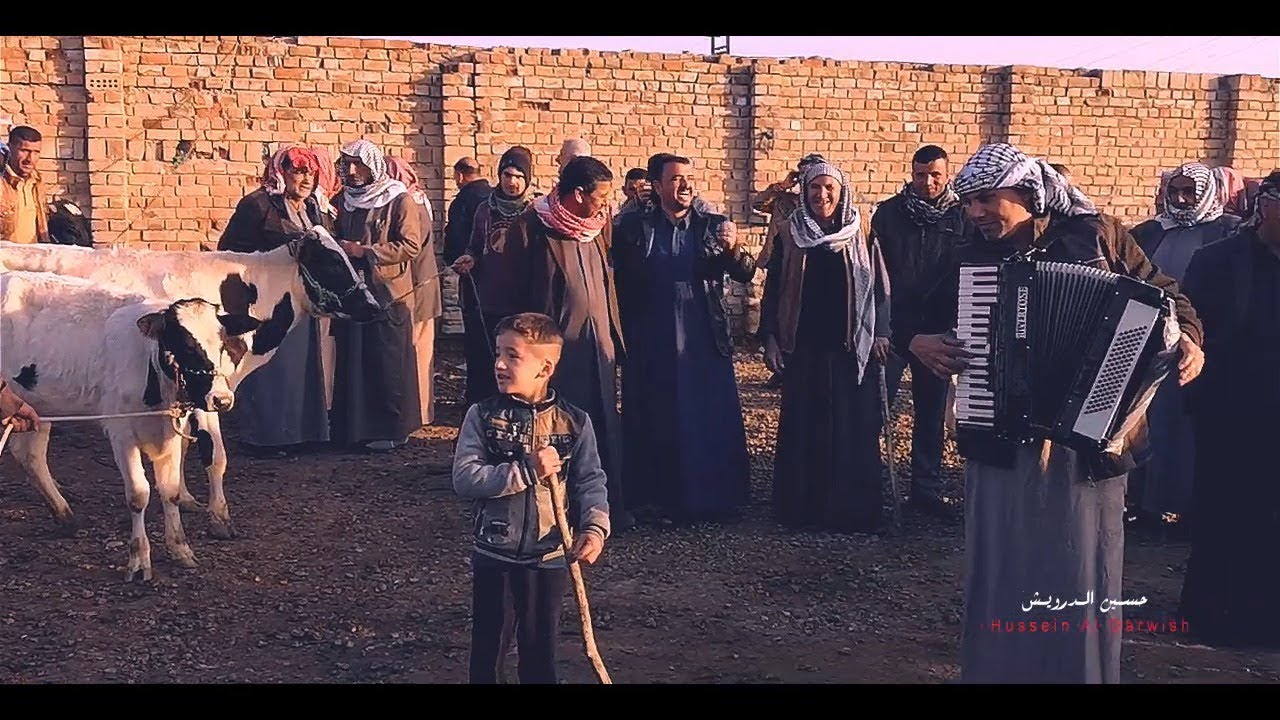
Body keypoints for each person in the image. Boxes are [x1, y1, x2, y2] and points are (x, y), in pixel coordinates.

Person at [908, 143, 1205, 684]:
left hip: (1091, 442)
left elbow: (1169, 298)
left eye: (986, 200)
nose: (975, 213)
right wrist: (918, 342)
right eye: (969, 201)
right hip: (998, 436)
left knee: (1081, 566)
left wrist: (1189, 338)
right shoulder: (968, 253)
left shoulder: (1099, 235)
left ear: (1027, 194)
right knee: (1002, 565)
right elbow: (914, 313)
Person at [452, 312, 610, 684]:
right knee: (488, 653)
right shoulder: (483, 416)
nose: (499, 364)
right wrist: (525, 472)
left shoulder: (574, 422)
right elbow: (465, 478)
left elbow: (591, 481)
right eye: (497, 353)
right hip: (495, 554)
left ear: (545, 368)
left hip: (550, 557)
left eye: (512, 356)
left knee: (540, 653)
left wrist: (594, 529)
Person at [613, 153, 755, 524]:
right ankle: (656, 499)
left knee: (707, 415)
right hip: (651, 338)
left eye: (689, 178)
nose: (685, 185)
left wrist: (733, 248)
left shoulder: (713, 225)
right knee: (656, 415)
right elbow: (620, 280)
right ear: (657, 186)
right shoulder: (632, 227)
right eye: (675, 179)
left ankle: (714, 499)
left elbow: (745, 272)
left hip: (703, 337)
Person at [759, 160, 893, 535]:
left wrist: (881, 331)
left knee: (852, 428)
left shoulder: (860, 230)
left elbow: (880, 286)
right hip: (804, 347)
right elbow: (774, 290)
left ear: (841, 191)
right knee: (806, 427)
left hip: (850, 346)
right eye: (815, 188)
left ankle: (851, 511)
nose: (822, 195)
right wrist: (769, 337)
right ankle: (802, 510)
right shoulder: (790, 233)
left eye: (829, 188)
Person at [1178, 170, 1280, 649]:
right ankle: (1212, 619)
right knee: (1223, 515)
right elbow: (1194, 334)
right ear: (1267, 206)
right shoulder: (1217, 261)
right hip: (1231, 413)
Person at [507, 155, 630, 528]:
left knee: (603, 423)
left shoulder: (596, 225)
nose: (606, 205)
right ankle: (558, 512)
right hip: (558, 352)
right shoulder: (533, 226)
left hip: (599, 344)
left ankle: (606, 508)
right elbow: (518, 291)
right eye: (601, 197)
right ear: (578, 194)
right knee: (562, 426)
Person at [1128, 162, 1240, 528]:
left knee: (1191, 429)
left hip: (1203, 346)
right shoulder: (1148, 233)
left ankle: (1192, 509)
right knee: (1146, 422)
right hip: (1148, 344)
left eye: (1189, 192)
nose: (1180, 199)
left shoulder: (1228, 234)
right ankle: (1146, 506)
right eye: (1174, 191)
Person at [868, 144, 968, 518]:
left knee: (930, 413)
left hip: (940, 331)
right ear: (911, 174)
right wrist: (881, 325)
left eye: (935, 175)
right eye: (921, 175)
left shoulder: (962, 217)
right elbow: (876, 274)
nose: (927, 182)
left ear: (947, 175)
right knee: (877, 408)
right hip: (893, 330)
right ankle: (869, 483)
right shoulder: (889, 215)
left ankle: (926, 489)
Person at [217, 145, 333, 453]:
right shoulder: (257, 205)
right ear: (281, 172)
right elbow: (230, 250)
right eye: (298, 171)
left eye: (310, 172)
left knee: (301, 366)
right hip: (265, 302)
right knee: (270, 369)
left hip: (299, 300)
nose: (305, 179)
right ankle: (266, 438)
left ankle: (301, 434)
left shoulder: (311, 208)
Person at [328, 139, 424, 453]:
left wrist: (366, 251)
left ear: (373, 167)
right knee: (354, 359)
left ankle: (392, 429)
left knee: (387, 362)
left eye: (359, 165)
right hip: (352, 293)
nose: (352, 171)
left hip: (388, 295)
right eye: (347, 164)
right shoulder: (345, 200)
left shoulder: (398, 199)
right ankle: (353, 429)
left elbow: (410, 246)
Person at [453, 146, 537, 405]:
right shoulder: (484, 210)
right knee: (484, 362)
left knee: (519, 359)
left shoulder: (535, 211)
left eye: (518, 177)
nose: (512, 182)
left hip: (522, 302)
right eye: (507, 175)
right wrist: (470, 259)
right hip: (487, 301)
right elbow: (476, 246)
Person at [751, 153, 827, 388]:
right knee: (776, 307)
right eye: (802, 173)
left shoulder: (820, 200)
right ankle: (780, 365)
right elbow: (757, 205)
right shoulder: (784, 199)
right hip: (779, 258)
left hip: (805, 263)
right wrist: (781, 185)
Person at [385, 154, 443, 427]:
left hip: (417, 286)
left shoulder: (407, 205)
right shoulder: (421, 200)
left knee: (417, 352)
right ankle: (422, 411)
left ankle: (418, 413)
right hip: (424, 283)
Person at [443, 156, 494, 406]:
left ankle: (477, 397)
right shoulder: (494, 197)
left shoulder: (462, 200)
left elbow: (454, 241)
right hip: (499, 284)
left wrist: (454, 260)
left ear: (460, 175)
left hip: (472, 279)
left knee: (476, 341)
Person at [0, 125, 49, 244]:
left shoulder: (37, 182)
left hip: (32, 257)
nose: (30, 159)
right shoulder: (2, 183)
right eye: (24, 151)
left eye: (36, 152)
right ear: (10, 148)